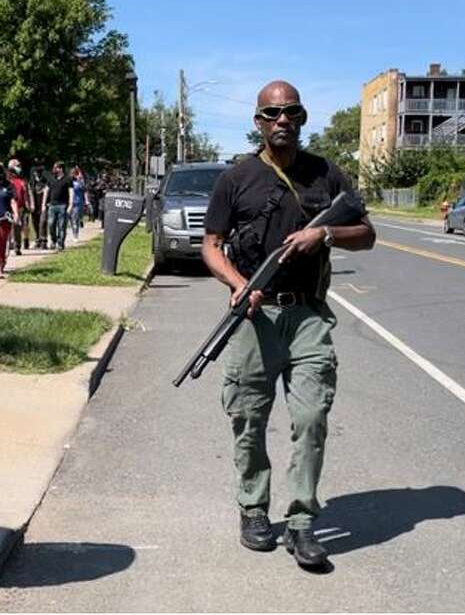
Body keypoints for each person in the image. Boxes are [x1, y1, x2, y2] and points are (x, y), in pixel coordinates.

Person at [201, 80, 375, 569]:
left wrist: (324, 233)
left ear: (302, 119)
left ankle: (301, 522)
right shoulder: (236, 179)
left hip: (307, 316)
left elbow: (366, 234)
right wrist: (238, 283)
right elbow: (211, 246)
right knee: (248, 417)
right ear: (258, 121)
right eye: (273, 113)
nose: (283, 121)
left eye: (292, 113)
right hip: (254, 315)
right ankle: (254, 509)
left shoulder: (325, 173)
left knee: (311, 416)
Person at [46, 162, 72, 250]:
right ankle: (53, 240)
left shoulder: (67, 179)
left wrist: (70, 205)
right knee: (51, 224)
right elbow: (47, 191)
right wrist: (44, 203)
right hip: (52, 205)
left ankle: (61, 243)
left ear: (61, 169)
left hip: (63, 205)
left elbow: (71, 192)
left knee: (61, 226)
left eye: (56, 168)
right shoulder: (51, 179)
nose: (54, 170)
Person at [7, 158, 31, 255]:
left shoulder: (21, 181)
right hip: (8, 207)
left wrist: (28, 205)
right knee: (8, 227)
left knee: (17, 227)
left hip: (20, 208)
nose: (19, 168)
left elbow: (25, 194)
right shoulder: (6, 180)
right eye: (17, 166)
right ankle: (8, 244)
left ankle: (17, 246)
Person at [29, 166, 48, 249]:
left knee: (42, 222)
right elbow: (30, 194)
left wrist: (45, 204)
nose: (36, 174)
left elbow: (47, 193)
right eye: (35, 172)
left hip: (43, 206)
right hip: (34, 206)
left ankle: (44, 240)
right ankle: (38, 240)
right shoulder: (32, 183)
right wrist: (31, 204)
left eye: (38, 172)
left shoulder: (45, 182)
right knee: (35, 223)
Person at [70, 167, 86, 241]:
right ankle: (73, 232)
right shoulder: (70, 182)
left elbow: (83, 188)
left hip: (77, 203)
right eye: (72, 174)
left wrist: (80, 178)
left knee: (75, 219)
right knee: (71, 220)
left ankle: (75, 235)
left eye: (74, 174)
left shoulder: (79, 183)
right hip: (69, 203)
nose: (73, 175)